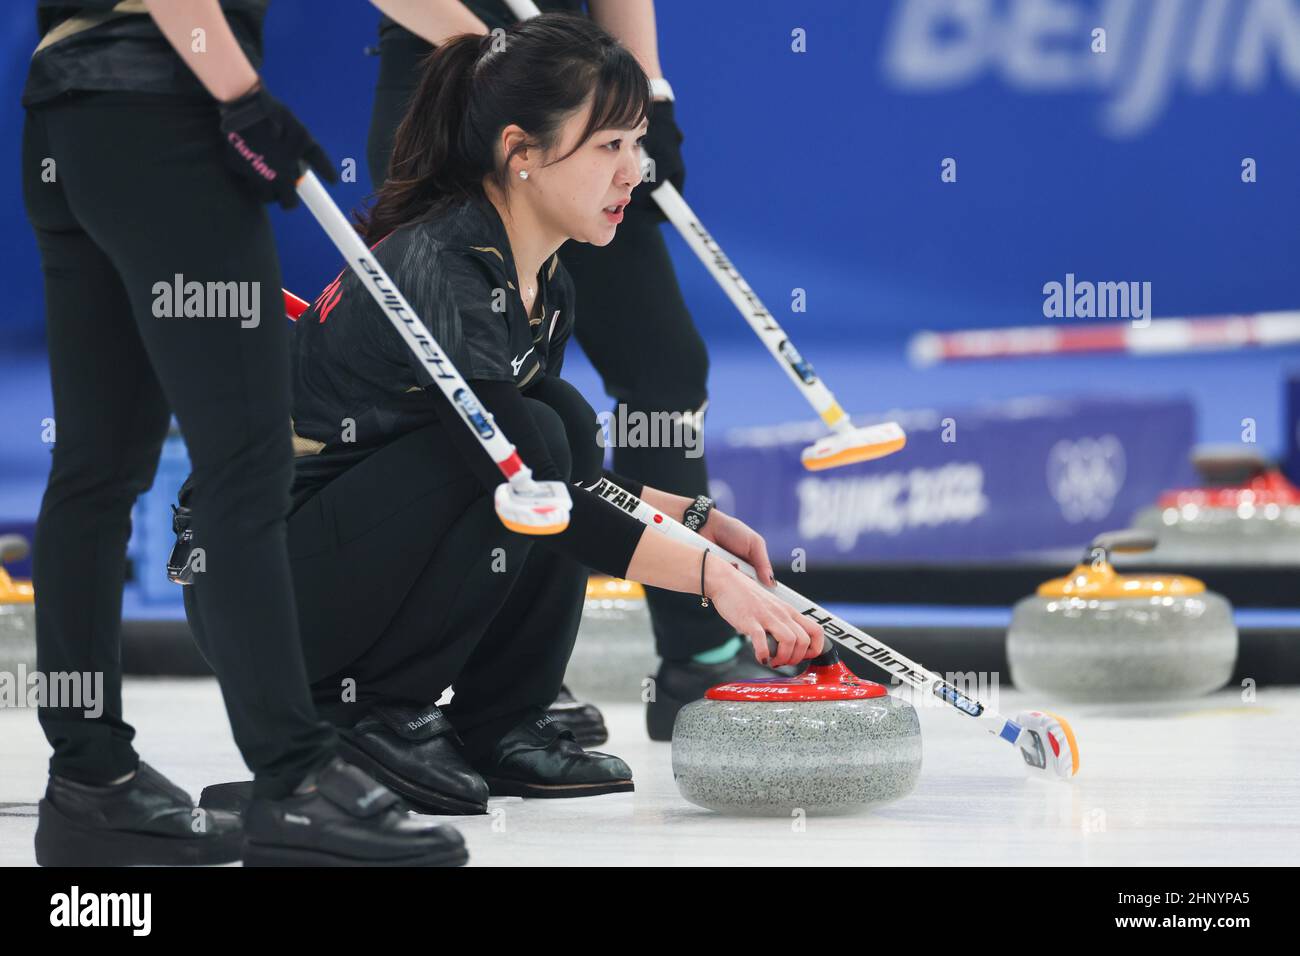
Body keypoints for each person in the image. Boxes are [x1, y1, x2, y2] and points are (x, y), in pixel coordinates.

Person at [195, 13, 823, 816]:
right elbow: (528, 480)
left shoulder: (545, 280)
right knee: (530, 445)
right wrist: (710, 578)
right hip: (269, 590)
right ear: (521, 152)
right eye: (609, 147)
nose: (638, 170)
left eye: (638, 143)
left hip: (337, 550)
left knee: (556, 421)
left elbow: (564, 480)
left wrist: (694, 517)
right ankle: (361, 714)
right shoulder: (442, 269)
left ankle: (501, 722)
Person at [22, 0, 464, 866]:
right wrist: (239, 96)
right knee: (250, 462)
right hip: (168, 108)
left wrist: (478, 39)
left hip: (66, 119)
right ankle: (295, 781)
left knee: (96, 469)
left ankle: (90, 782)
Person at [365, 0, 769, 743]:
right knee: (492, 422)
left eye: (635, 146)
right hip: (469, 82)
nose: (634, 162)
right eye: (626, 146)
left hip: (577, 94)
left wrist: (644, 98)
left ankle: (694, 655)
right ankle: (474, 681)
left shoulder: (589, 200)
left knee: (649, 375)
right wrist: (503, 61)